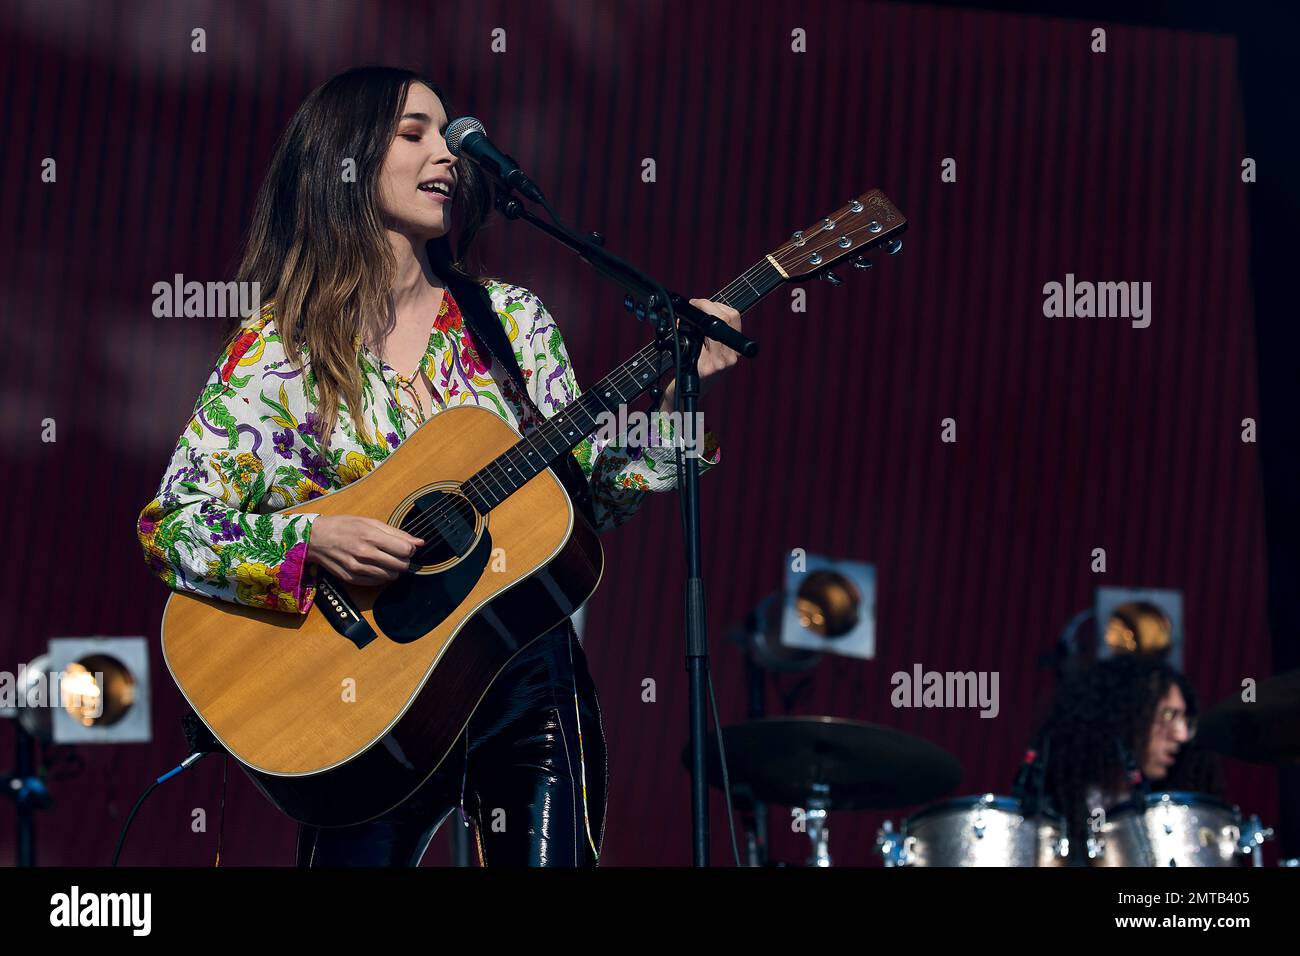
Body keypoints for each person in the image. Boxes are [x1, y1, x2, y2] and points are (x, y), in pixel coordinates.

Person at [136, 66, 741, 866]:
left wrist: (675, 398)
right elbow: (171, 527)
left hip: (524, 679)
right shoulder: (279, 352)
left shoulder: (511, 322)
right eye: (414, 132)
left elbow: (583, 492)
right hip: (362, 694)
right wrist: (311, 539)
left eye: (451, 135)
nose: (449, 155)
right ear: (344, 160)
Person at [1032, 654, 1224, 859]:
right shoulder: (1052, 814)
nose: (1182, 735)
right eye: (1168, 715)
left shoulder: (1174, 815)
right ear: (1125, 719)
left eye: (1186, 721)